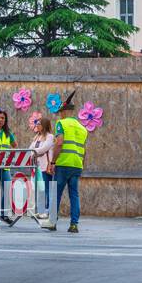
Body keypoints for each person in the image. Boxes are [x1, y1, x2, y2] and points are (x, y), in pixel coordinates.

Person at [49, 92, 87, 233]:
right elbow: (84, 149)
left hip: (63, 164)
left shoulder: (61, 123)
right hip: (76, 164)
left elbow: (59, 143)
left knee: (56, 193)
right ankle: (74, 224)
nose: (59, 115)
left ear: (64, 111)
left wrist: (53, 162)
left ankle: (52, 222)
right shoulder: (82, 128)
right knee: (74, 195)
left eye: (60, 112)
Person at [28, 115, 56, 225]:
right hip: (36, 166)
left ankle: (48, 211)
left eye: (39, 124)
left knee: (47, 189)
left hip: (45, 166)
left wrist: (34, 151)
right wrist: (34, 151)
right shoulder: (37, 137)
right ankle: (41, 211)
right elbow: (30, 149)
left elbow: (44, 148)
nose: (37, 126)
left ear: (44, 125)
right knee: (39, 189)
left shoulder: (50, 136)